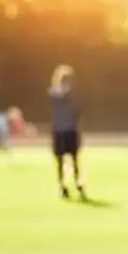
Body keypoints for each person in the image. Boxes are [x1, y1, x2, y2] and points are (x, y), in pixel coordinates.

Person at [48, 65, 85, 200]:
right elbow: (54, 97)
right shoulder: (54, 94)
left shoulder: (74, 95)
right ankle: (62, 186)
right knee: (60, 160)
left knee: (75, 160)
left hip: (70, 130)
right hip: (59, 130)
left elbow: (78, 109)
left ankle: (78, 183)